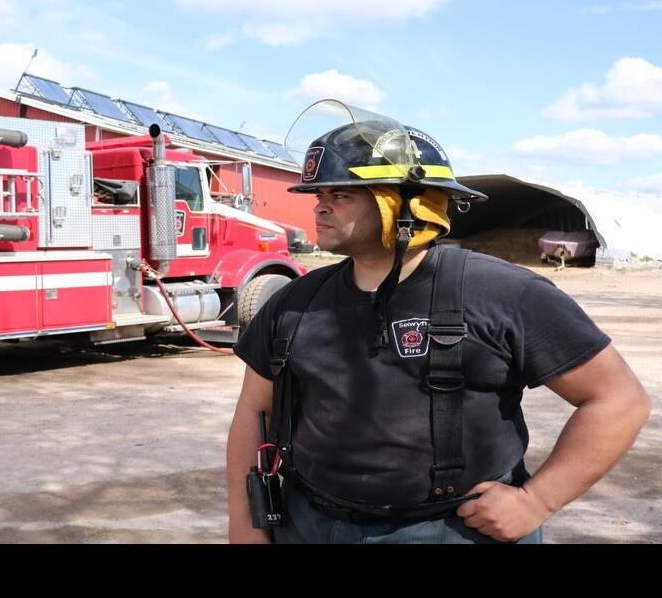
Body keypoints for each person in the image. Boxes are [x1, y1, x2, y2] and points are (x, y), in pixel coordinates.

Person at [226, 117, 651, 544]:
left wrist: (536, 502)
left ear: (411, 204)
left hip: (453, 530)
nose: (319, 207)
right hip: (311, 526)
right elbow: (253, 410)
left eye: (342, 195)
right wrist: (246, 526)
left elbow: (618, 399)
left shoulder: (506, 294)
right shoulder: (294, 301)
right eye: (320, 195)